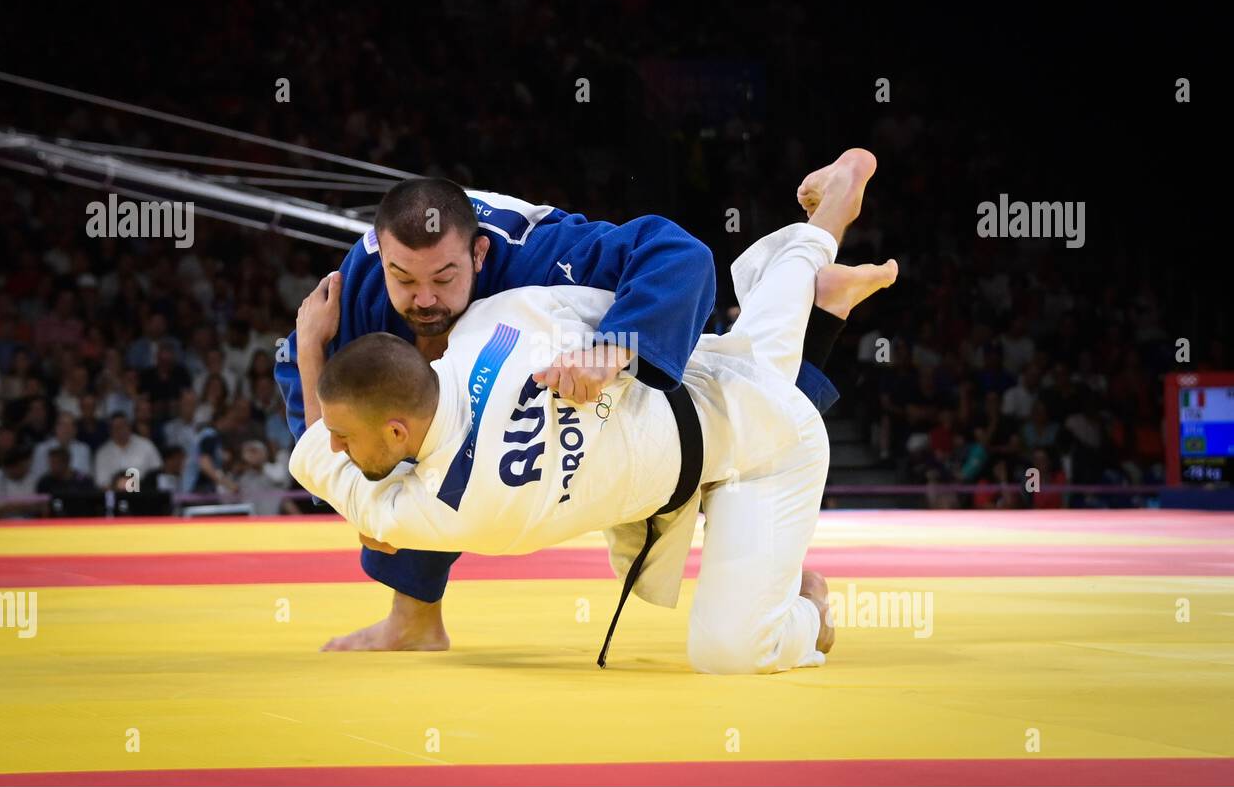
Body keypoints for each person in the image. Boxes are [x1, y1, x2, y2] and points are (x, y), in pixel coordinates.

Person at [289, 149, 894, 672]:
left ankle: (825, 247)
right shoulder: (364, 288)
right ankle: (414, 618)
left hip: (665, 387)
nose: (423, 299)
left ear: (477, 255)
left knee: (746, 397)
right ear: (383, 260)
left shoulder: (539, 269)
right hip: (648, 439)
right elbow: (334, 425)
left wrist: (615, 347)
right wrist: (311, 349)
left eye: (443, 278)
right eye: (405, 279)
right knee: (748, 386)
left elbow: (679, 256)